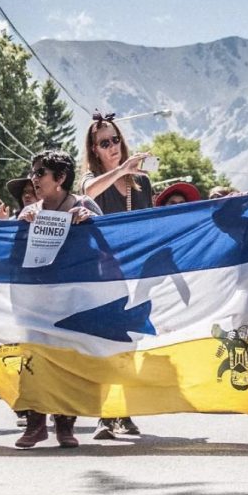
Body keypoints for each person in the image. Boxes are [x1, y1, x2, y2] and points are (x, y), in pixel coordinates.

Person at [15, 150, 102, 448]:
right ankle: (35, 424)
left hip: (74, 300)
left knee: (67, 361)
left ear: (61, 178)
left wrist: (90, 223)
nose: (33, 179)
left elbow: (109, 244)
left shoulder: (84, 205)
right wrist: (22, 225)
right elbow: (15, 255)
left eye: (40, 173)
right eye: (33, 172)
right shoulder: (30, 209)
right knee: (34, 361)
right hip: (36, 300)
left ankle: (65, 425)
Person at [79, 111, 152, 439]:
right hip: (101, 274)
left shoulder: (142, 182)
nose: (113, 147)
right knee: (104, 343)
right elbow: (87, 194)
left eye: (116, 140)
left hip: (134, 273)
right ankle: (104, 414)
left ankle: (124, 410)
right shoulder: (89, 181)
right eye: (104, 143)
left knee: (129, 344)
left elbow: (149, 224)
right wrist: (121, 170)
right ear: (94, 149)